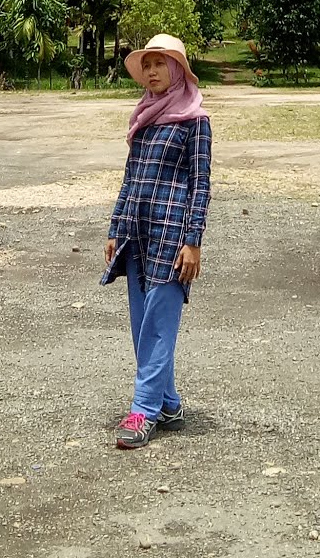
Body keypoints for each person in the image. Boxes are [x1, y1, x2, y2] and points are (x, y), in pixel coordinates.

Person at [101, 32, 212, 450]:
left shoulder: (195, 122)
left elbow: (200, 185)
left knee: (159, 329)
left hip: (171, 238)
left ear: (178, 70)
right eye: (145, 65)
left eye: (159, 63)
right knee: (141, 327)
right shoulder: (144, 117)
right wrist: (116, 228)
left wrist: (193, 240)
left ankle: (142, 411)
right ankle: (167, 403)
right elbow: (131, 179)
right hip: (136, 234)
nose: (151, 71)